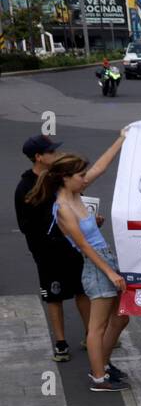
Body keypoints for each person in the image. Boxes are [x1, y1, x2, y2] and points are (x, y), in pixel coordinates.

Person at [25, 130, 131, 391]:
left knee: (121, 317)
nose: (85, 179)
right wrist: (110, 272)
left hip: (104, 261)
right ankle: (98, 377)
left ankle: (103, 366)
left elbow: (100, 167)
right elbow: (83, 245)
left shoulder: (74, 194)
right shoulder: (62, 207)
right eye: (80, 176)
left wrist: (122, 138)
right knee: (97, 328)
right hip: (96, 266)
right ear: (65, 178)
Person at [15, 135, 90, 362]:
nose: (55, 154)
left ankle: (91, 335)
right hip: (47, 252)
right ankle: (60, 343)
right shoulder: (25, 187)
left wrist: (88, 221)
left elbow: (79, 203)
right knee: (54, 297)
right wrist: (48, 239)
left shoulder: (60, 178)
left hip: (73, 247)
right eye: (50, 152)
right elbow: (25, 225)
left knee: (82, 290)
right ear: (38, 157)